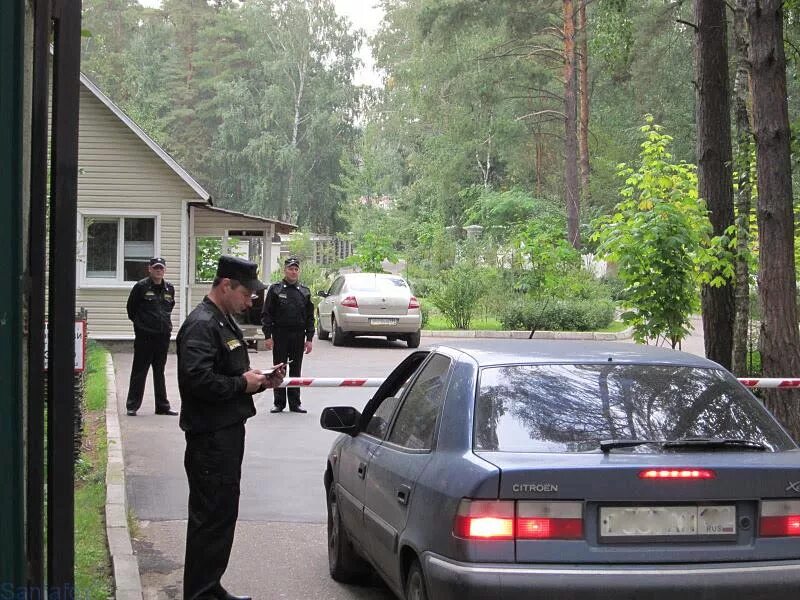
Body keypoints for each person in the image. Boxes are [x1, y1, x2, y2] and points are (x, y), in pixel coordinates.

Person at [177, 255, 286, 600]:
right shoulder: (201, 324)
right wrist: (243, 384)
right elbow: (197, 380)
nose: (250, 300)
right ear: (226, 285)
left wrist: (263, 381)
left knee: (221, 516)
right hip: (210, 438)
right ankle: (200, 593)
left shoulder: (223, 320)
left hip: (225, 433)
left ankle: (210, 587)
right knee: (210, 519)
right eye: (246, 294)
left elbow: (227, 370)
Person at [261, 256, 314, 413]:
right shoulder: (276, 289)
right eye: (290, 269)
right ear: (285, 270)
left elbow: (310, 317)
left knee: (296, 369)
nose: (293, 272)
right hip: (280, 334)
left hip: (298, 335)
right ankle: (279, 403)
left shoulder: (304, 291)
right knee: (279, 368)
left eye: (296, 269)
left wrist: (309, 339)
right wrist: (267, 336)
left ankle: (295, 403)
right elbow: (267, 314)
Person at [126, 256, 176, 416]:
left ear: (164, 270)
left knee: (159, 371)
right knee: (140, 370)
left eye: (161, 268)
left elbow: (169, 308)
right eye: (155, 268)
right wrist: (142, 326)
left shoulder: (169, 288)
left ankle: (162, 406)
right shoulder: (141, 287)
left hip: (162, 336)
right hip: (145, 336)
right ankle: (132, 405)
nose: (158, 271)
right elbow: (131, 309)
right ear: (149, 269)